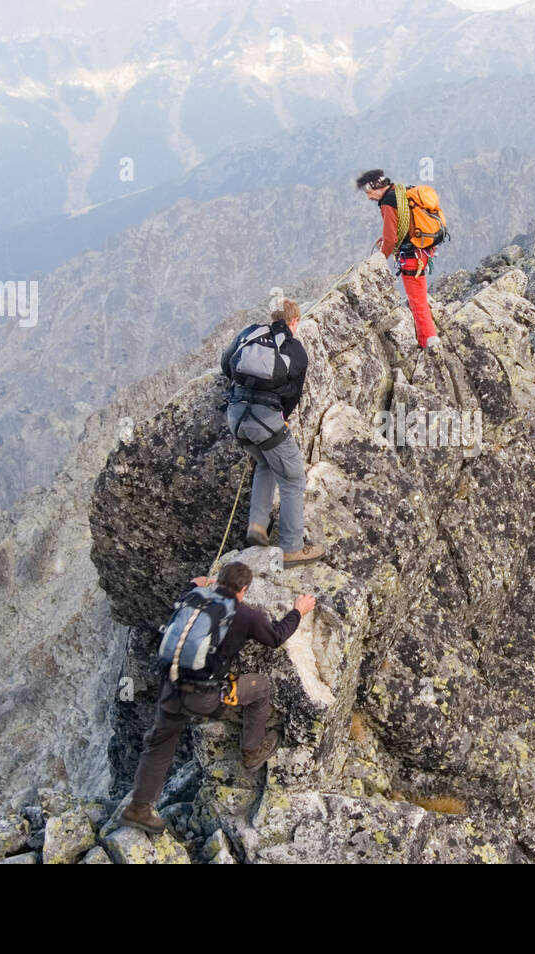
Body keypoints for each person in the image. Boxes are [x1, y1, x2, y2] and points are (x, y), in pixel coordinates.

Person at [120, 561, 317, 834]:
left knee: (159, 744)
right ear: (244, 589)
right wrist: (298, 611)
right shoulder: (246, 615)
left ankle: (138, 808)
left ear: (217, 581)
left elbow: (186, 594)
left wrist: (196, 583)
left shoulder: (192, 598)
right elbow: (275, 637)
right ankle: (252, 750)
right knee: (260, 687)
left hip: (172, 687)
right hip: (205, 697)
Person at [221, 298, 325, 567]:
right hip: (265, 420)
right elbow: (293, 394)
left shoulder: (249, 334)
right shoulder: (294, 349)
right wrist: (281, 420)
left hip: (235, 416)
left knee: (266, 462)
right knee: (293, 479)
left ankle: (257, 525)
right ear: (294, 321)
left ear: (272, 316)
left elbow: (226, 364)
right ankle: (291, 547)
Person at [357, 169, 441, 350]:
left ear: (375, 187)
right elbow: (402, 225)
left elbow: (390, 239)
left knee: (417, 300)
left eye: (369, 193)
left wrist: (379, 261)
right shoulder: (400, 191)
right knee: (419, 297)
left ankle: (429, 340)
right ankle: (425, 338)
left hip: (411, 257)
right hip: (423, 250)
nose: (369, 197)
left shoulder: (387, 203)